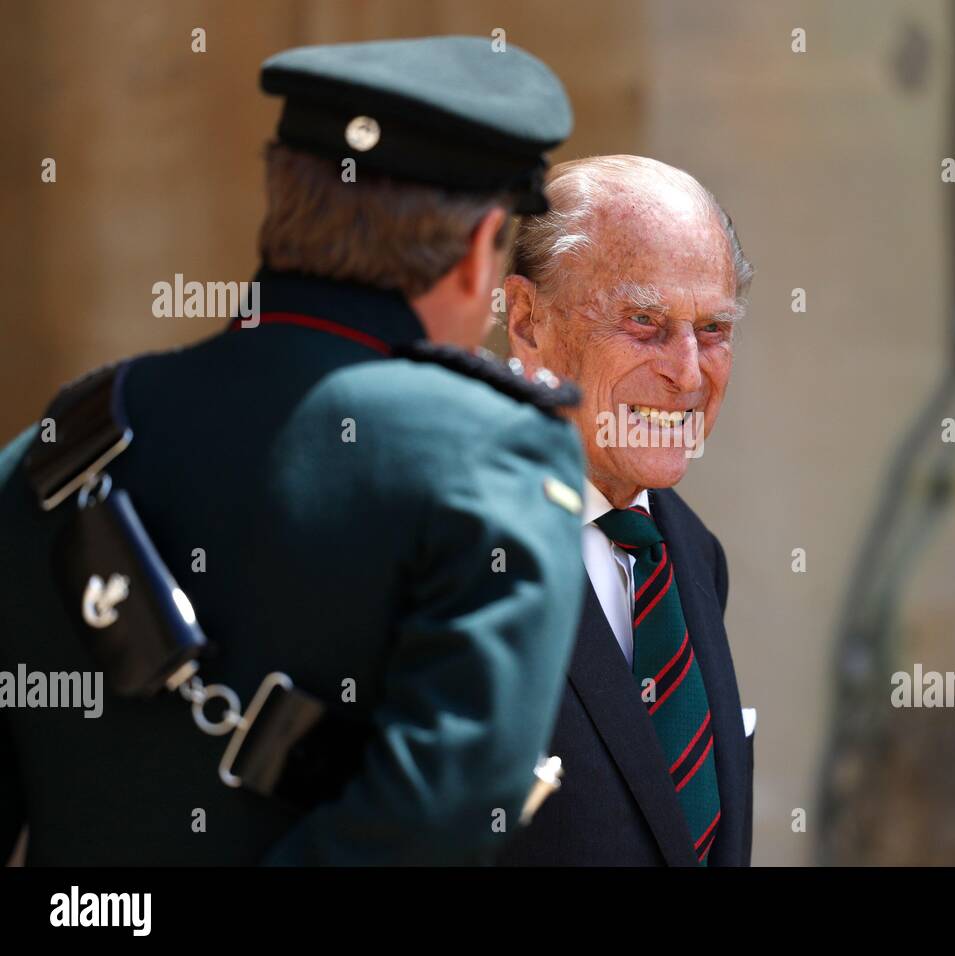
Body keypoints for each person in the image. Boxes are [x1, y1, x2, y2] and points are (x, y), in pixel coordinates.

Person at [0, 35, 589, 865]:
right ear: (475, 251)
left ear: (281, 206)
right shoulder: (493, 455)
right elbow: (437, 817)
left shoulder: (61, 448)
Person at [498, 155, 754, 866]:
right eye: (644, 322)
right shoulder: (444, 545)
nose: (689, 371)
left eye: (713, 328)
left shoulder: (694, 557)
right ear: (526, 322)